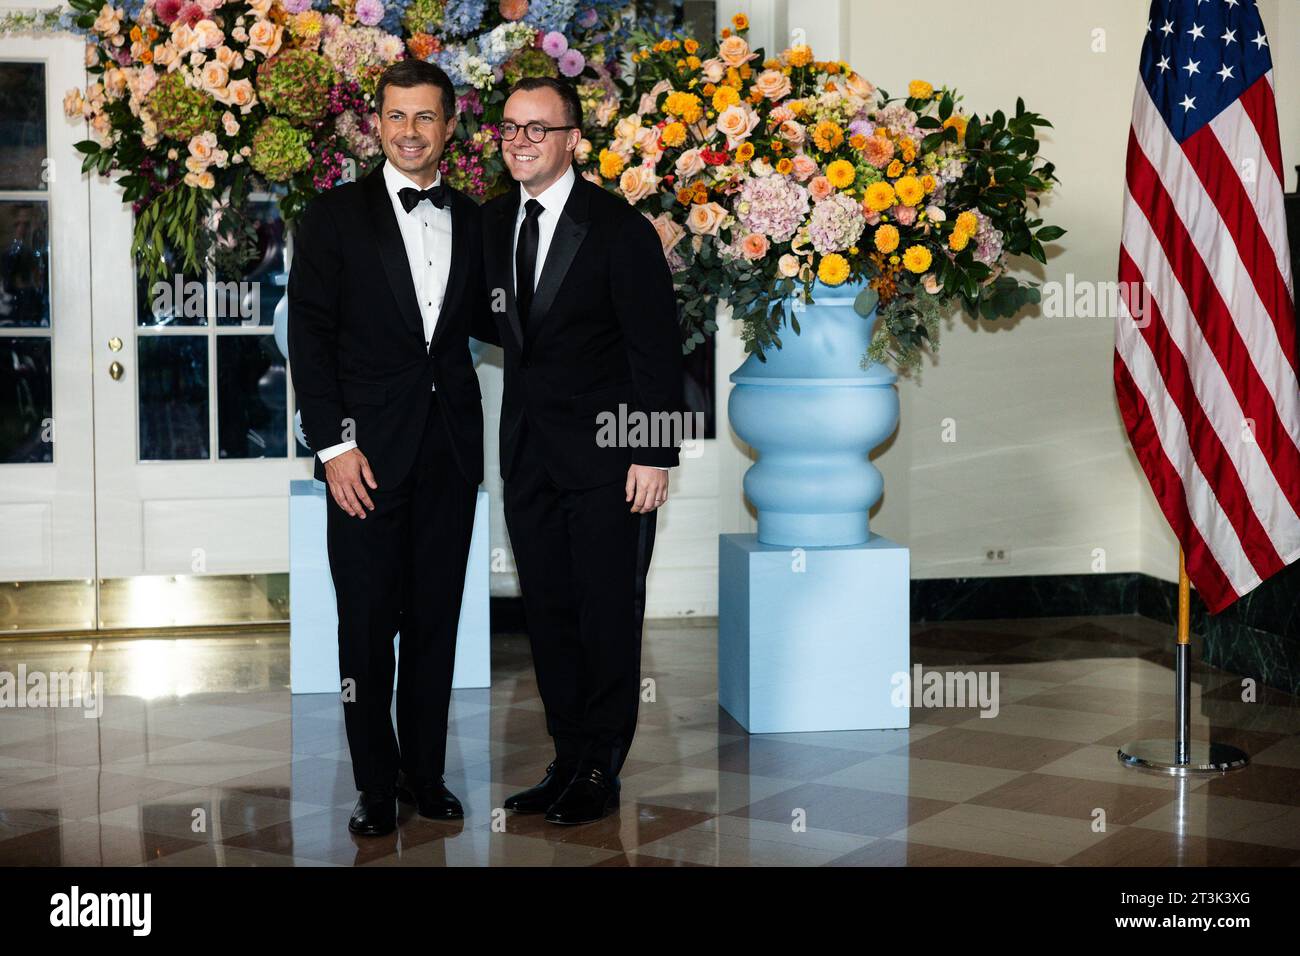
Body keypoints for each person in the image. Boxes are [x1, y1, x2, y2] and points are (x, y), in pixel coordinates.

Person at [473, 77, 684, 825]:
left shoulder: (619, 228)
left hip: (611, 460)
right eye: (510, 128)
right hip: (527, 454)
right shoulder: (491, 222)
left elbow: (657, 348)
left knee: (607, 615)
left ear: (573, 142)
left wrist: (654, 454)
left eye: (538, 128)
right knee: (550, 613)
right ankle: (566, 757)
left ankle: (601, 766)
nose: (520, 141)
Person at [288, 60, 486, 837]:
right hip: (363, 458)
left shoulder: (476, 219)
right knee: (367, 628)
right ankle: (374, 784)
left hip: (449, 454)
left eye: (425, 116)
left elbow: (511, 317)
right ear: (376, 124)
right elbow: (311, 339)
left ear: (449, 127)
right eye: (397, 116)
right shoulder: (333, 217)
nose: (410, 131)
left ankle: (424, 775)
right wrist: (333, 448)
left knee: (436, 621)